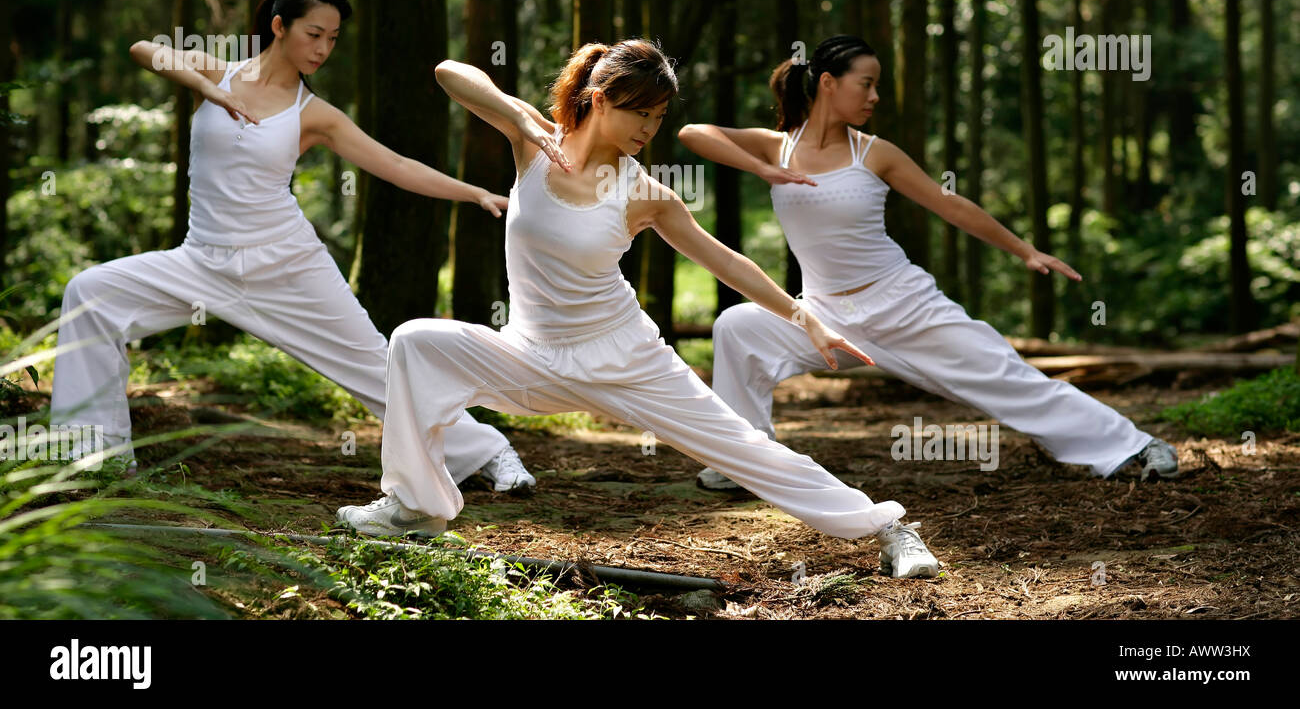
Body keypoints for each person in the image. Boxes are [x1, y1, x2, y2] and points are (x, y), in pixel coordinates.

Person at [336, 39, 941, 579]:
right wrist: (522, 117)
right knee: (414, 341)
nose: (648, 129)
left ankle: (888, 529)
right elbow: (447, 70)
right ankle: (415, 507)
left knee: (745, 448)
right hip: (530, 353)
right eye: (639, 112)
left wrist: (807, 319)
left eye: (657, 117)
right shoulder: (533, 146)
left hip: (627, 357)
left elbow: (727, 262)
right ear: (599, 99)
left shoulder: (645, 194)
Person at [51, 0, 534, 492]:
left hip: (287, 265)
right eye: (314, 34)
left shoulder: (314, 113)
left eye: (333, 38)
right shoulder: (221, 71)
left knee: (373, 366)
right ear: (279, 27)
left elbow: (394, 164)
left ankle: (490, 452)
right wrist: (205, 86)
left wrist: (473, 193)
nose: (323, 48)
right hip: (202, 262)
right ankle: (95, 454)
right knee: (90, 295)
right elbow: (143, 50)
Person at [676, 34, 1178, 491]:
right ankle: (742, 460)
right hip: (826, 315)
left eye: (877, 86)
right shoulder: (777, 144)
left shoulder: (876, 153)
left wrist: (1024, 249)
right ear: (827, 83)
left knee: (1005, 375)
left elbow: (949, 203)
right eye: (866, 84)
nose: (874, 97)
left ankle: (1132, 445)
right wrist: (764, 166)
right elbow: (693, 133)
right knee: (739, 326)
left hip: (903, 302)